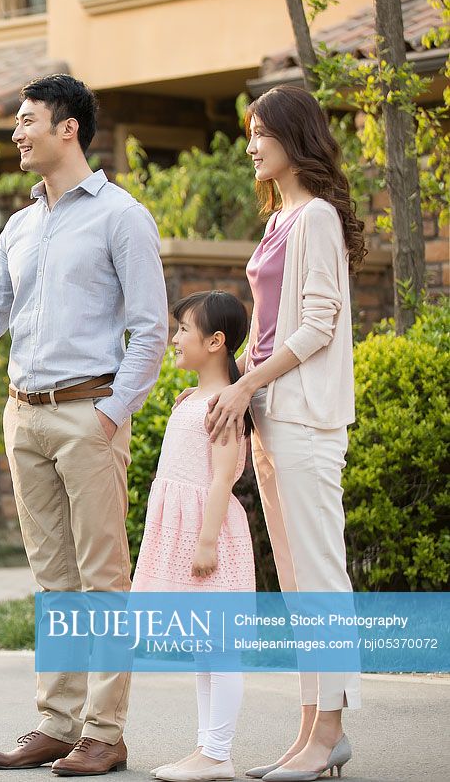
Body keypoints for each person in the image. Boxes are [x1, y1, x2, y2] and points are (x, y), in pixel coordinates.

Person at [0, 73, 168, 776]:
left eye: (26, 121)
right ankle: (57, 721)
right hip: (25, 416)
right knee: (53, 580)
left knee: (102, 578)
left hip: (89, 413)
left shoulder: (120, 216)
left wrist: (112, 415)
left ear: (67, 129)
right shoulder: (21, 226)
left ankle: (105, 731)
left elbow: (150, 330)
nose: (16, 134)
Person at [189, 84, 364, 782]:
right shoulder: (279, 220)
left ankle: (329, 732)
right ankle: (307, 735)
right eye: (249, 132)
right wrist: (234, 392)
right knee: (294, 581)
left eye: (260, 132)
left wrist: (247, 383)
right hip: (270, 420)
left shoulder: (315, 217)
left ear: (295, 137)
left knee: (320, 576)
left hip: (306, 419)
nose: (250, 144)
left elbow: (316, 323)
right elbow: (264, 331)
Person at [135, 291, 256, 782]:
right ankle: (208, 749)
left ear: (215, 341)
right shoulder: (196, 401)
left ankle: (220, 751)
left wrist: (206, 540)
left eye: (184, 329)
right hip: (187, 534)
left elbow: (223, 478)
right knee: (205, 649)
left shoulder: (222, 408)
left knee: (220, 648)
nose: (175, 338)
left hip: (210, 537)